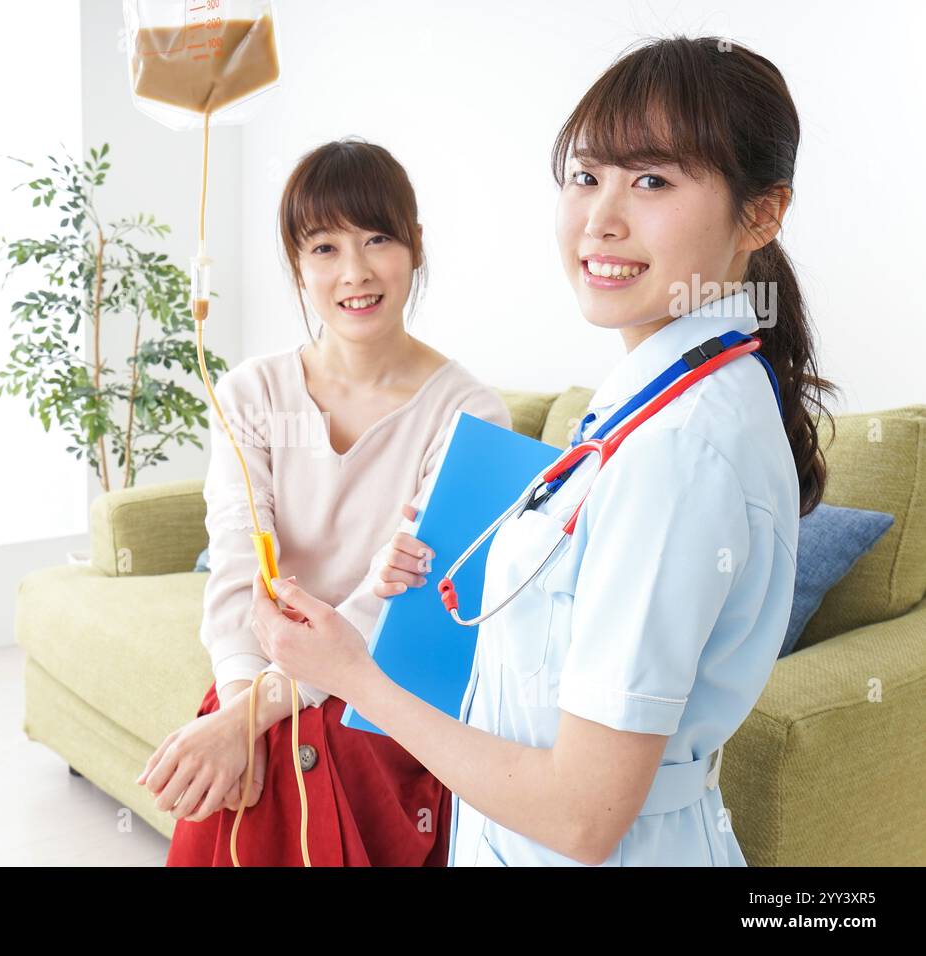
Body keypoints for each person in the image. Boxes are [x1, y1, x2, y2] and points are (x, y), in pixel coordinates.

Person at [250, 37, 836, 866]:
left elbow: (581, 817)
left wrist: (355, 676)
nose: (601, 218)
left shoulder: (678, 447)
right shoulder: (649, 396)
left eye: (654, 181)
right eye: (586, 177)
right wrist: (442, 573)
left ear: (762, 213)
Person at [136, 138, 511, 866]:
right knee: (241, 761)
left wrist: (257, 714)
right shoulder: (252, 392)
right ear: (296, 264)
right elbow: (240, 572)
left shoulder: (472, 415)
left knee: (305, 750)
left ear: (416, 246)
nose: (356, 272)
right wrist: (247, 700)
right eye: (325, 247)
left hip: (383, 692)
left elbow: (404, 605)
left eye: (378, 239)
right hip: (261, 669)